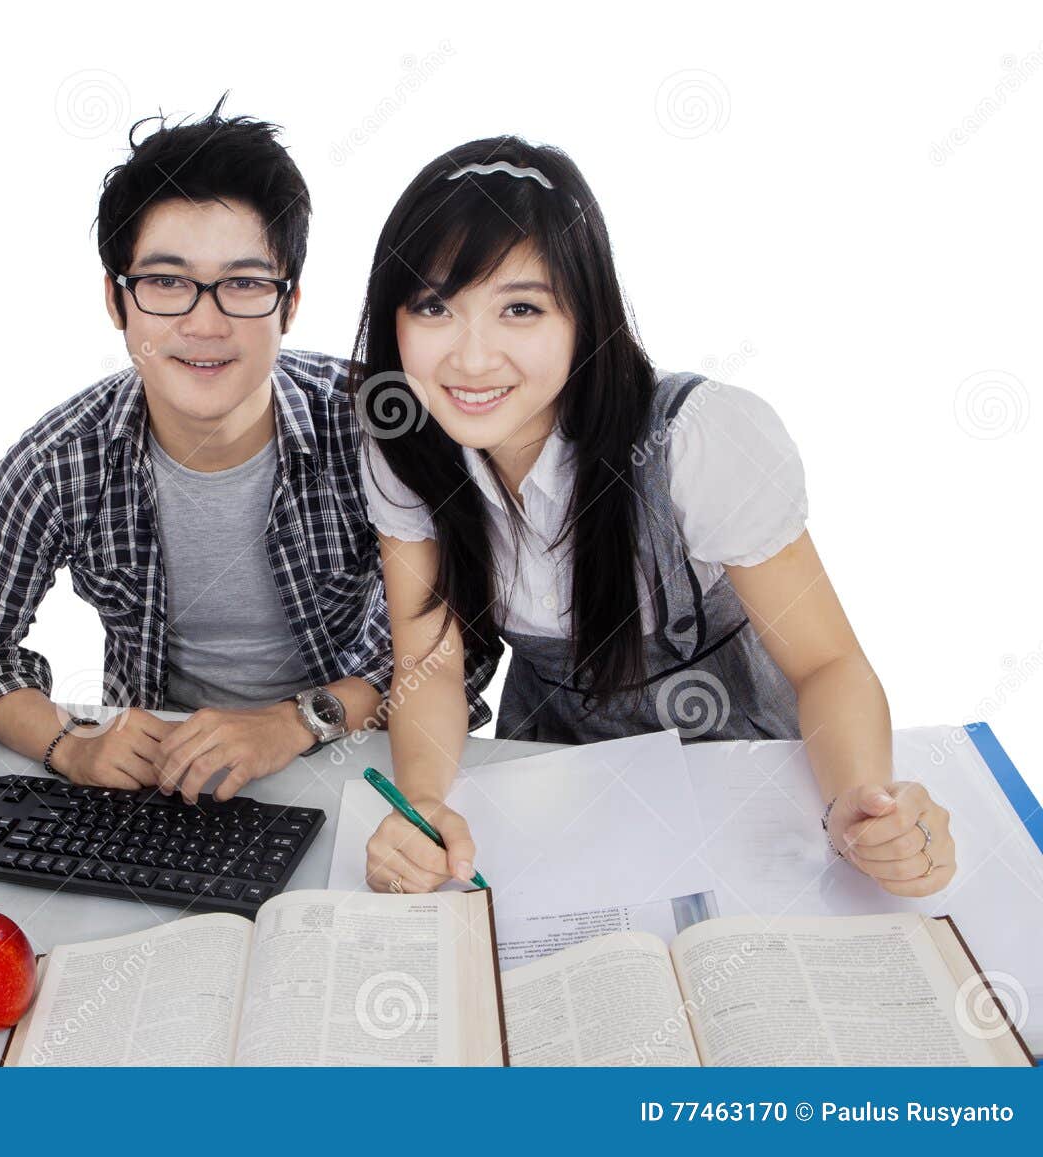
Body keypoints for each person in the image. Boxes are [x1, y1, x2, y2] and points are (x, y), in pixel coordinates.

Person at [354, 136, 955, 898]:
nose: (472, 359)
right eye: (435, 305)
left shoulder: (698, 441)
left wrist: (860, 805)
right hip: (559, 784)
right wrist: (428, 808)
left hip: (738, 775)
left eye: (520, 308)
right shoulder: (406, 445)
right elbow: (432, 662)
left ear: (585, 314)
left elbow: (826, 663)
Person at [0, 99, 391, 803]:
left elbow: (454, 645)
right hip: (165, 786)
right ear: (118, 303)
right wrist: (70, 746)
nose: (205, 323)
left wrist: (293, 723)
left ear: (289, 305)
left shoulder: (374, 427)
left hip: (361, 766)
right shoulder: (60, 461)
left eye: (243, 283)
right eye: (167, 283)